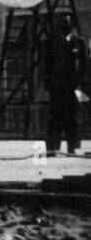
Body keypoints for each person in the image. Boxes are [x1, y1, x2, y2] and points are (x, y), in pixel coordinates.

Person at [45, 14, 86, 155]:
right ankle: (52, 147)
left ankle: (72, 147)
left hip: (73, 87)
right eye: (61, 22)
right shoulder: (53, 42)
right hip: (57, 87)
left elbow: (84, 66)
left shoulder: (79, 41)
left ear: (71, 24)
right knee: (55, 117)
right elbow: (47, 64)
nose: (63, 25)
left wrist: (81, 84)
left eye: (66, 22)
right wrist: (47, 82)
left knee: (72, 118)